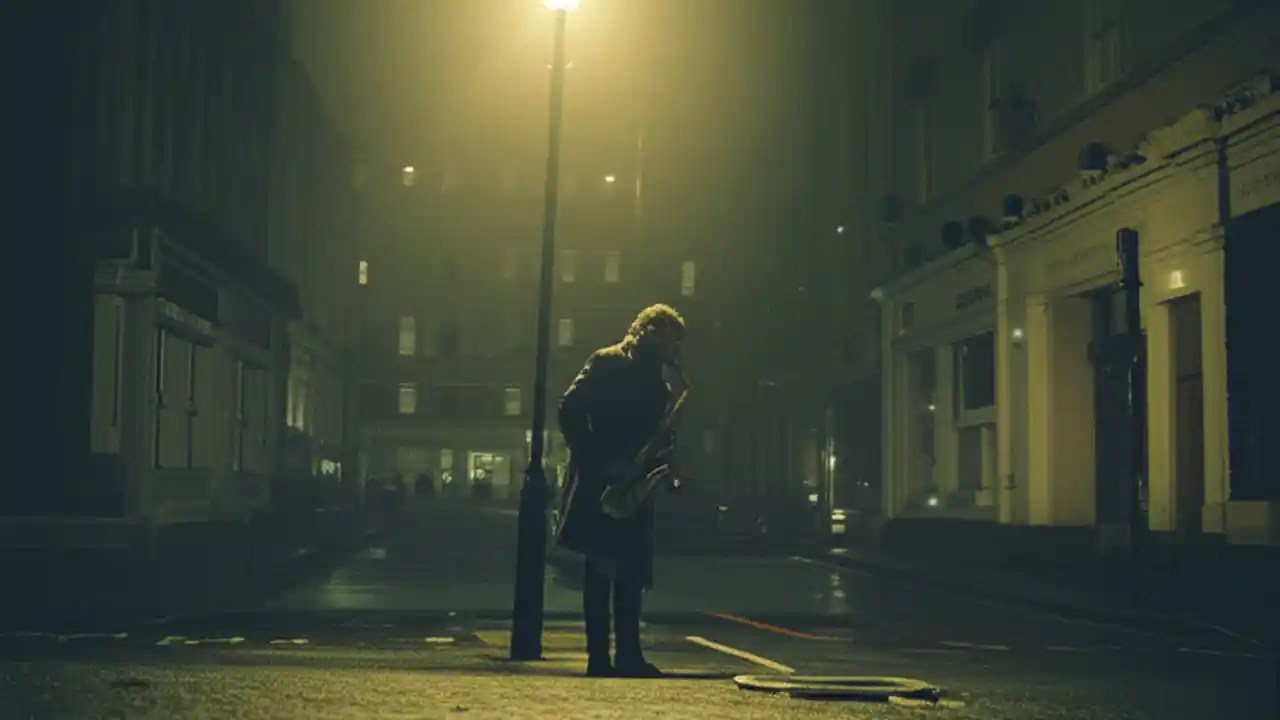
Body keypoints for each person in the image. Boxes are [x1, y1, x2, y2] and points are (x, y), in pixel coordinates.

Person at [555, 303, 686, 678]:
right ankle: (601, 657)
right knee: (603, 569)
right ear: (651, 333)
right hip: (604, 479)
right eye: (671, 343)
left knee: (629, 570)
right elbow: (569, 409)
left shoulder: (654, 376)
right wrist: (601, 457)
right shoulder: (606, 361)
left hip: (633, 479)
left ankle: (625, 656)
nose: (674, 353)